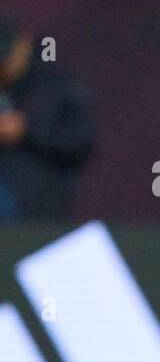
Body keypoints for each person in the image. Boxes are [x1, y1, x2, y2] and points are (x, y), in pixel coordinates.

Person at [0, 13, 96, 222]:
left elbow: (81, 140)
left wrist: (25, 130)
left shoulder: (55, 85)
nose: (3, 64)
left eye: (5, 55)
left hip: (40, 211)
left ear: (23, 45)